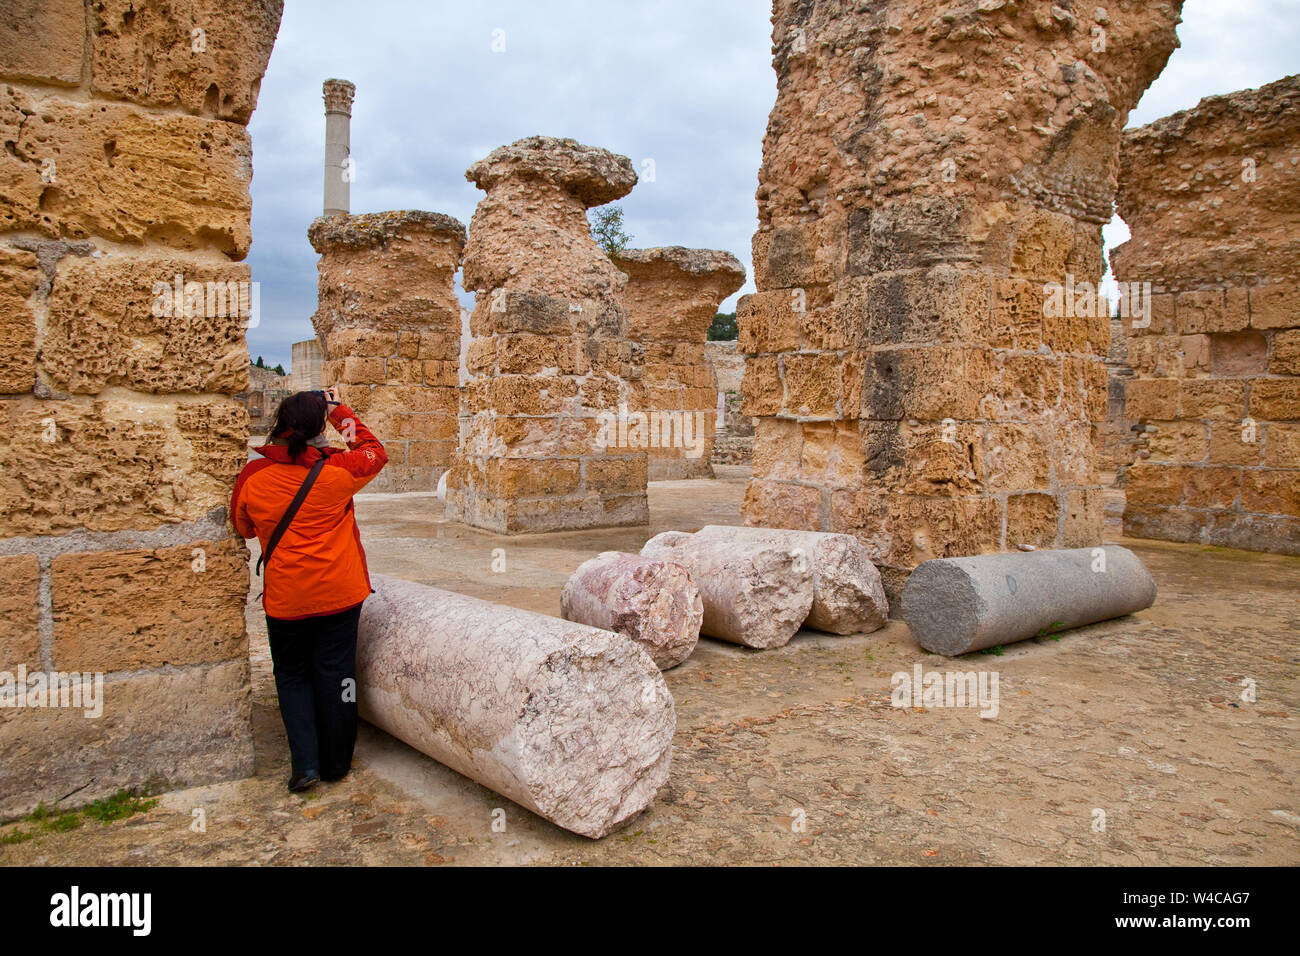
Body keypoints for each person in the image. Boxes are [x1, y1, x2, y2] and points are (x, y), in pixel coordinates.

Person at [231, 385, 387, 792]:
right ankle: (337, 762)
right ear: (318, 429)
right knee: (337, 675)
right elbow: (374, 450)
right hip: (339, 592)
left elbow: (243, 527)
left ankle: (305, 765)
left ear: (279, 426)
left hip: (287, 599)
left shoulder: (253, 477)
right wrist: (338, 411)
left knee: (292, 675)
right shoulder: (338, 471)